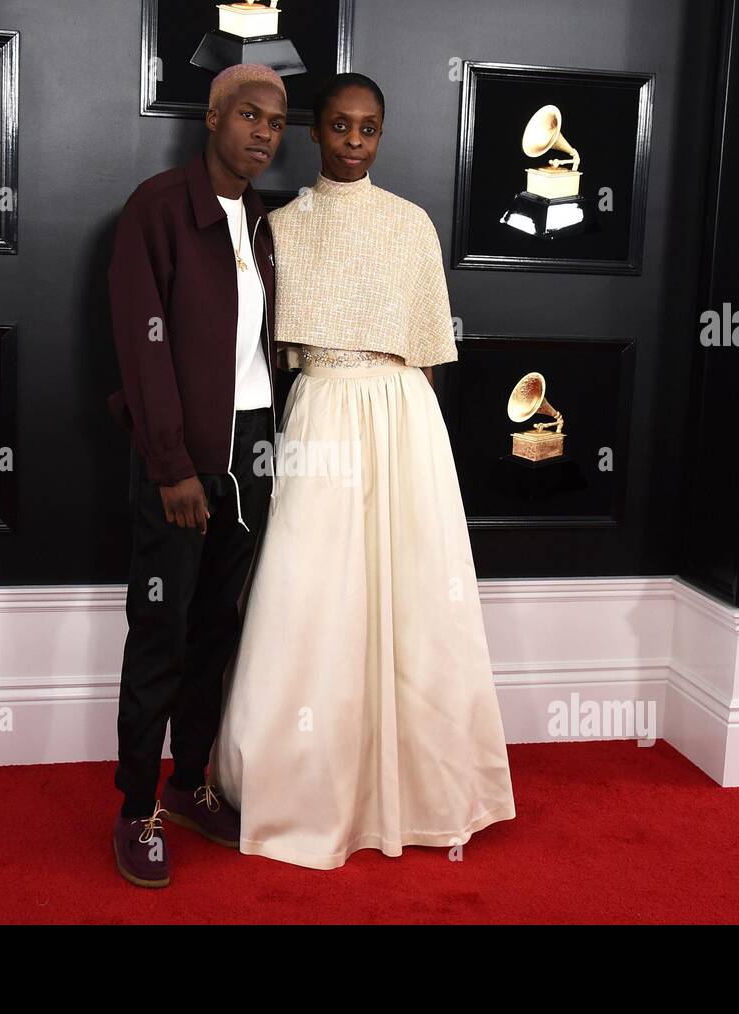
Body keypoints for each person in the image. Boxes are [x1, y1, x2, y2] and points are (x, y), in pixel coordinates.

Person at [211, 73, 516, 870]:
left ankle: (422, 785)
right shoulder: (278, 226)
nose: (354, 142)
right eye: (340, 127)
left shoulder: (413, 225)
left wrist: (416, 437)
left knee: (414, 590)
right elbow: (263, 354)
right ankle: (307, 782)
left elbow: (429, 352)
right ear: (314, 132)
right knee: (311, 592)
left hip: (405, 419)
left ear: (382, 134)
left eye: (369, 129)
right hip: (319, 413)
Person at [104, 64, 287, 887]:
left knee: (219, 633)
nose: (262, 132)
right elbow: (143, 351)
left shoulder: (268, 221)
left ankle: (188, 787)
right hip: (181, 460)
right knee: (163, 636)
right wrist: (172, 465)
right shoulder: (158, 209)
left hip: (254, 453)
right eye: (248, 114)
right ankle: (135, 808)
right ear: (212, 117)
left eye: (276, 123)